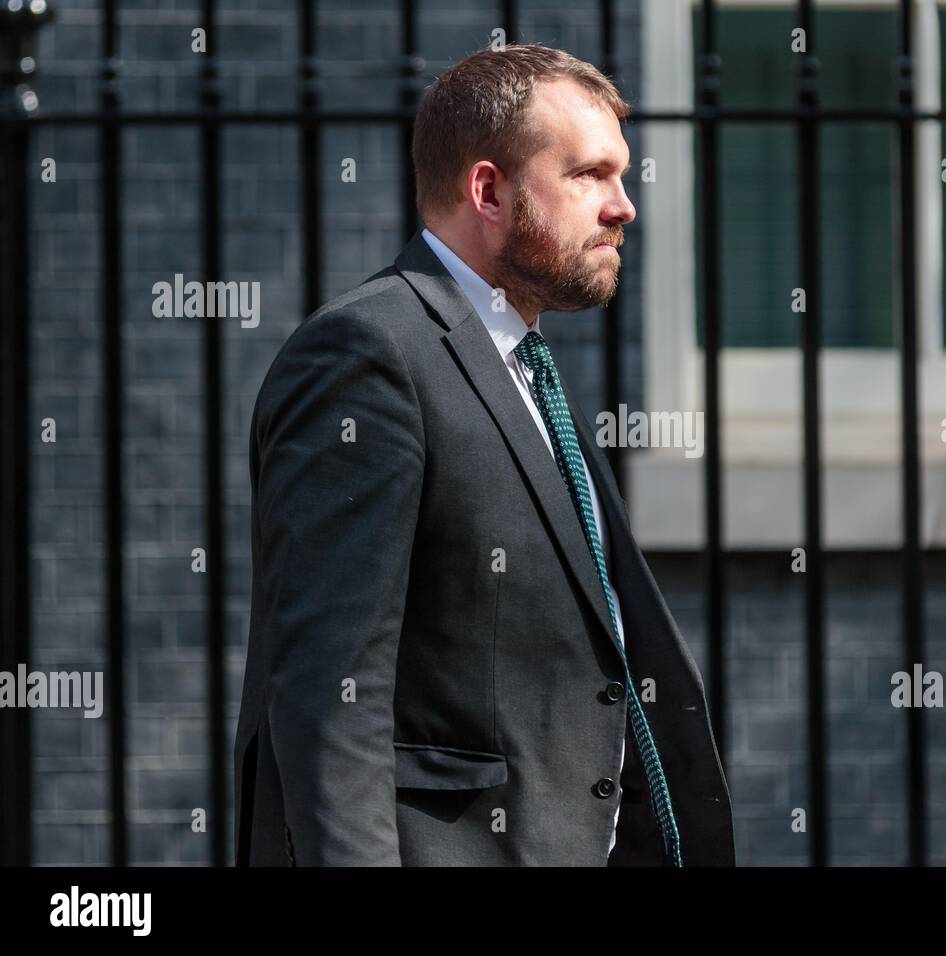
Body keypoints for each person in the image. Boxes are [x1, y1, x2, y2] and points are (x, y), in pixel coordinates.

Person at [232, 42, 734, 867]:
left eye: (623, 174)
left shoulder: (516, 359)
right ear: (489, 190)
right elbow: (331, 697)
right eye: (589, 175)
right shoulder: (369, 355)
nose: (623, 206)